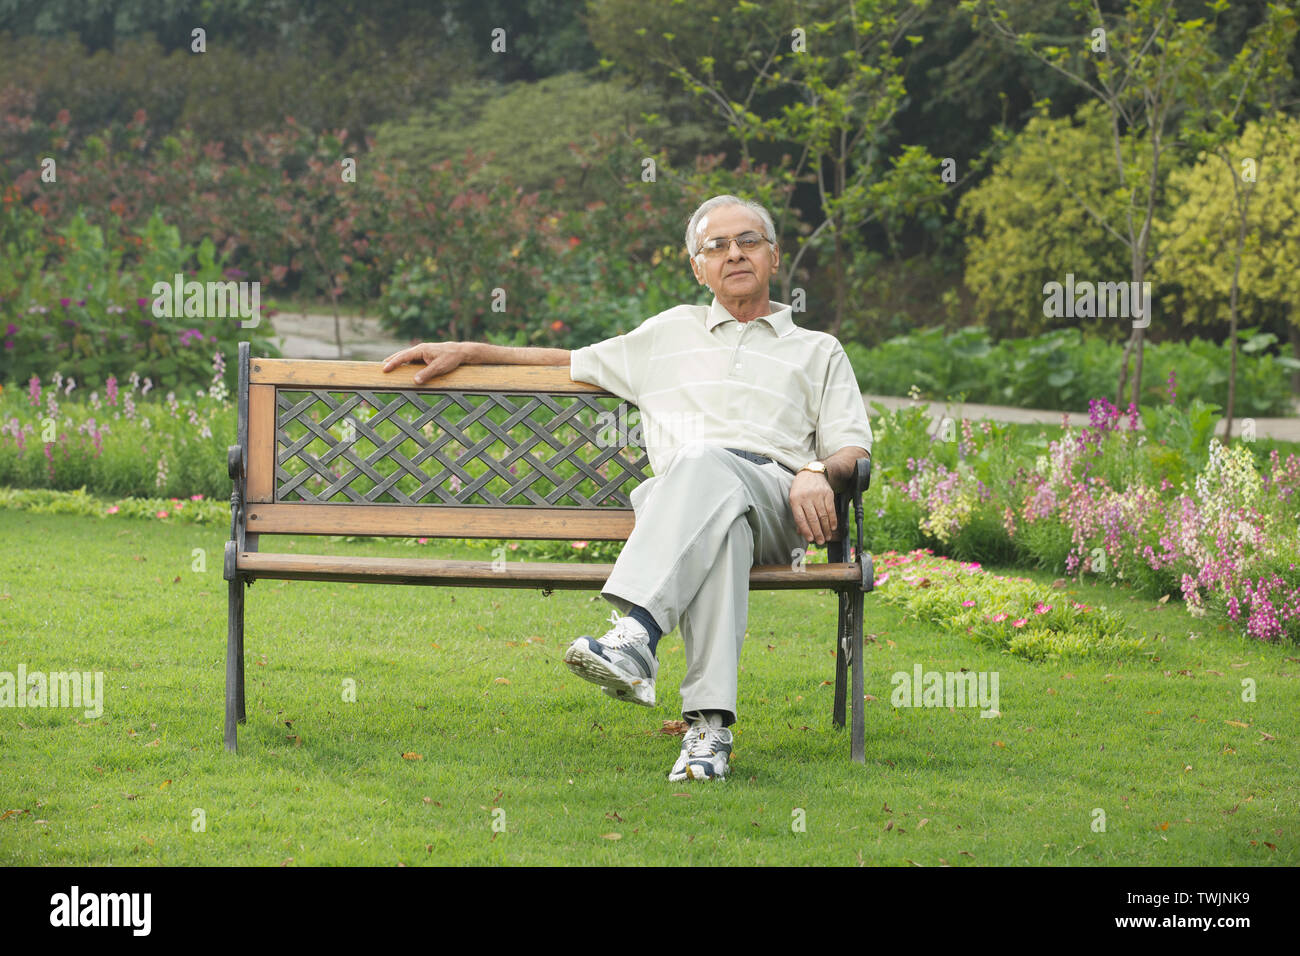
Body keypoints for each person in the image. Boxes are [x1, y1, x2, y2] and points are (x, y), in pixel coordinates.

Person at [382, 194, 872, 781]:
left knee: (705, 464)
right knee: (720, 534)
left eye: (748, 241)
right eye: (716, 246)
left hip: (775, 500)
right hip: (693, 514)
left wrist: (818, 471)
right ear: (698, 267)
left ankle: (636, 631)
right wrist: (471, 350)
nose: (733, 253)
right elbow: (562, 360)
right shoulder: (667, 333)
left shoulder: (817, 349)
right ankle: (708, 733)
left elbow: (853, 448)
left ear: (773, 255)